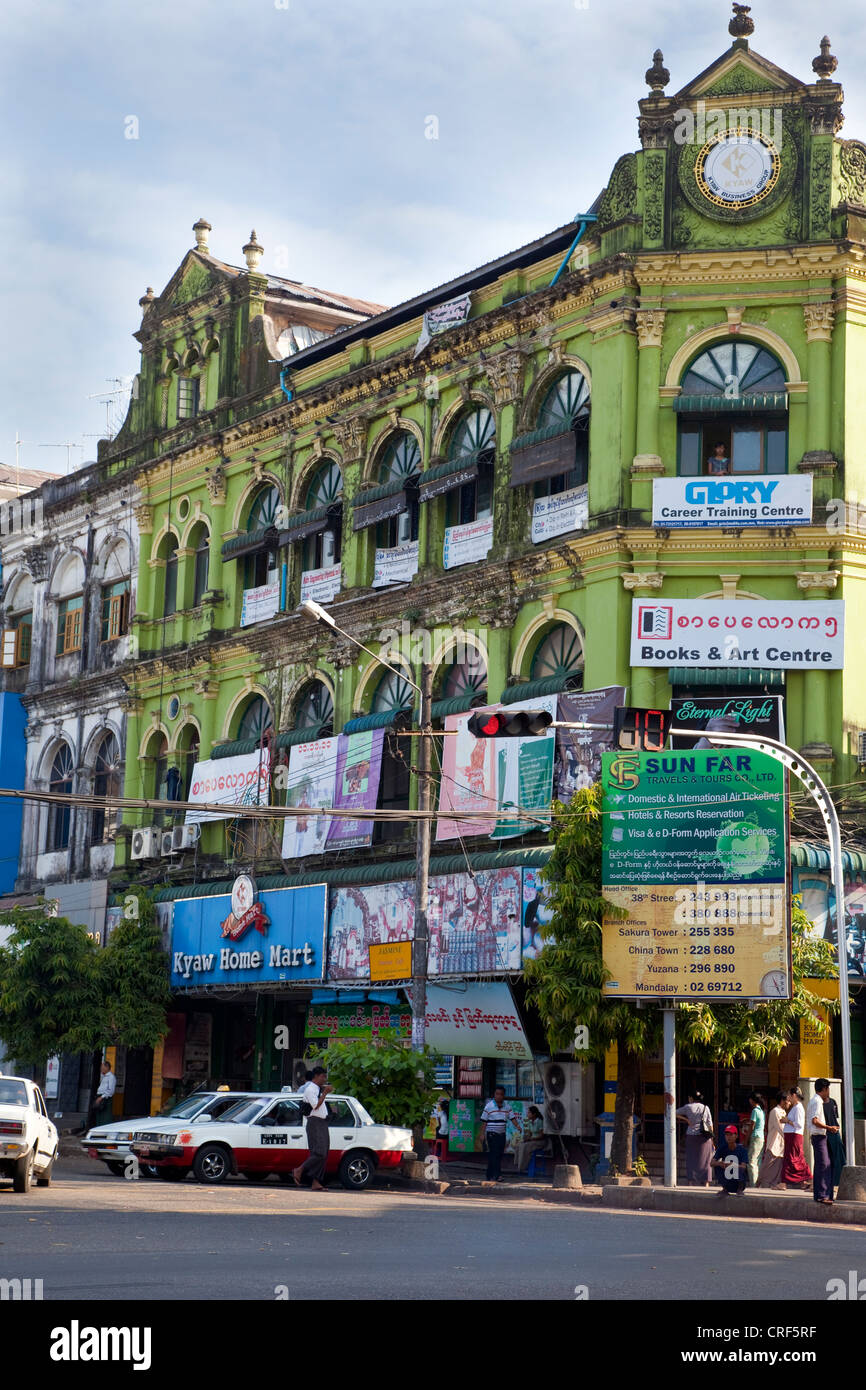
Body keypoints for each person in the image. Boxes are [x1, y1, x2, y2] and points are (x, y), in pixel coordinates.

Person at [292, 1066, 334, 1192]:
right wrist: (325, 1093)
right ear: (316, 1076)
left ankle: (316, 1182)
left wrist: (324, 1091)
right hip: (314, 1123)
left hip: (322, 1122)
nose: (324, 1079)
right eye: (323, 1076)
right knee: (319, 1152)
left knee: (324, 1153)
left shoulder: (317, 1088)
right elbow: (315, 1105)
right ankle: (299, 1169)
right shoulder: (310, 1089)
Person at [479, 1086, 521, 1182]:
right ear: (494, 1095)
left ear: (503, 1095)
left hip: (502, 1134)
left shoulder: (507, 1107)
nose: (499, 1096)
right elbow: (484, 1121)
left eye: (501, 1094)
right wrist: (482, 1134)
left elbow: (512, 1118)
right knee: (494, 1154)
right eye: (497, 1094)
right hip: (491, 1134)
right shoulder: (489, 1106)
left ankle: (489, 1175)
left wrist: (518, 1126)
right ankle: (498, 1175)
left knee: (499, 1155)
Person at [807, 1078, 839, 1205]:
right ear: (824, 1089)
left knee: (821, 1165)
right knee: (824, 1165)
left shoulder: (815, 1100)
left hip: (819, 1136)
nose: (829, 1092)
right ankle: (822, 1195)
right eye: (828, 1089)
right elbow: (814, 1120)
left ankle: (820, 1194)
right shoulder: (817, 1101)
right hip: (819, 1136)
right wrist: (828, 1127)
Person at [673, 1090, 714, 1186]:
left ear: (691, 1098)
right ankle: (706, 1182)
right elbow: (710, 1124)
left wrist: (686, 1119)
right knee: (706, 1160)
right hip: (704, 1137)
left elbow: (673, 1112)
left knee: (691, 1159)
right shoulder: (705, 1108)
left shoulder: (688, 1107)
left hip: (691, 1136)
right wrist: (712, 1139)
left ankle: (690, 1181)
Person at [780, 1085, 812, 1189]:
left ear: (794, 1095)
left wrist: (787, 1121)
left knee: (792, 1159)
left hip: (794, 1136)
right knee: (795, 1158)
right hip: (792, 1136)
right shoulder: (796, 1107)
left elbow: (798, 1124)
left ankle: (784, 1182)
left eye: (789, 1095)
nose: (788, 1097)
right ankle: (803, 1181)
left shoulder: (798, 1108)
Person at [757, 1092, 787, 1188]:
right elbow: (781, 1129)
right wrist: (789, 1139)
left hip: (781, 1145)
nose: (789, 1103)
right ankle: (758, 1183)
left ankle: (771, 1185)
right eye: (788, 1100)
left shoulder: (783, 1112)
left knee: (777, 1167)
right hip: (774, 1144)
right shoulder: (775, 1111)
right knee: (767, 1166)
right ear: (782, 1100)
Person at [711, 1124, 749, 1197]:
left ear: (736, 1136)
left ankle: (740, 1189)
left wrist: (733, 1165)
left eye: (731, 1135)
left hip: (738, 1181)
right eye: (727, 1135)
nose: (729, 1137)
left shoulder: (742, 1150)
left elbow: (743, 1167)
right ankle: (725, 1188)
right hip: (727, 1179)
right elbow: (711, 1162)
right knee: (717, 1166)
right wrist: (720, 1163)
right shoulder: (722, 1148)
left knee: (740, 1168)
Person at [743, 1092, 766, 1188]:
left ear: (752, 1100)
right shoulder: (762, 1112)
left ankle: (754, 1184)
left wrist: (746, 1139)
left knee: (751, 1162)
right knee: (758, 1161)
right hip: (761, 1137)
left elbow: (752, 1126)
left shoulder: (755, 1111)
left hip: (755, 1137)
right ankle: (758, 1184)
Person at [824, 1089, 844, 1192]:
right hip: (826, 1133)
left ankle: (837, 1182)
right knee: (827, 1159)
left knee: (839, 1158)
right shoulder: (819, 1104)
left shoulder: (833, 1101)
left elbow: (836, 1117)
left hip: (835, 1132)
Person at [515, 1105, 546, 1173]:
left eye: (529, 1113)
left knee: (525, 1147)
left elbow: (542, 1135)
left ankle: (523, 1167)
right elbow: (530, 1134)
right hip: (532, 1141)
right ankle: (518, 1164)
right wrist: (526, 1138)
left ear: (534, 1114)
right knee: (519, 1145)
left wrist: (532, 1139)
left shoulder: (539, 1121)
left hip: (540, 1142)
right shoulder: (529, 1122)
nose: (527, 1114)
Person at [93, 1060, 116, 1126]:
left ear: (107, 1067)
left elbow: (110, 1090)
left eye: (102, 1067)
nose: (101, 1069)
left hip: (105, 1098)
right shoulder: (103, 1076)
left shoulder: (111, 1077)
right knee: (99, 1116)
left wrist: (101, 1097)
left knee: (105, 1117)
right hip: (100, 1096)